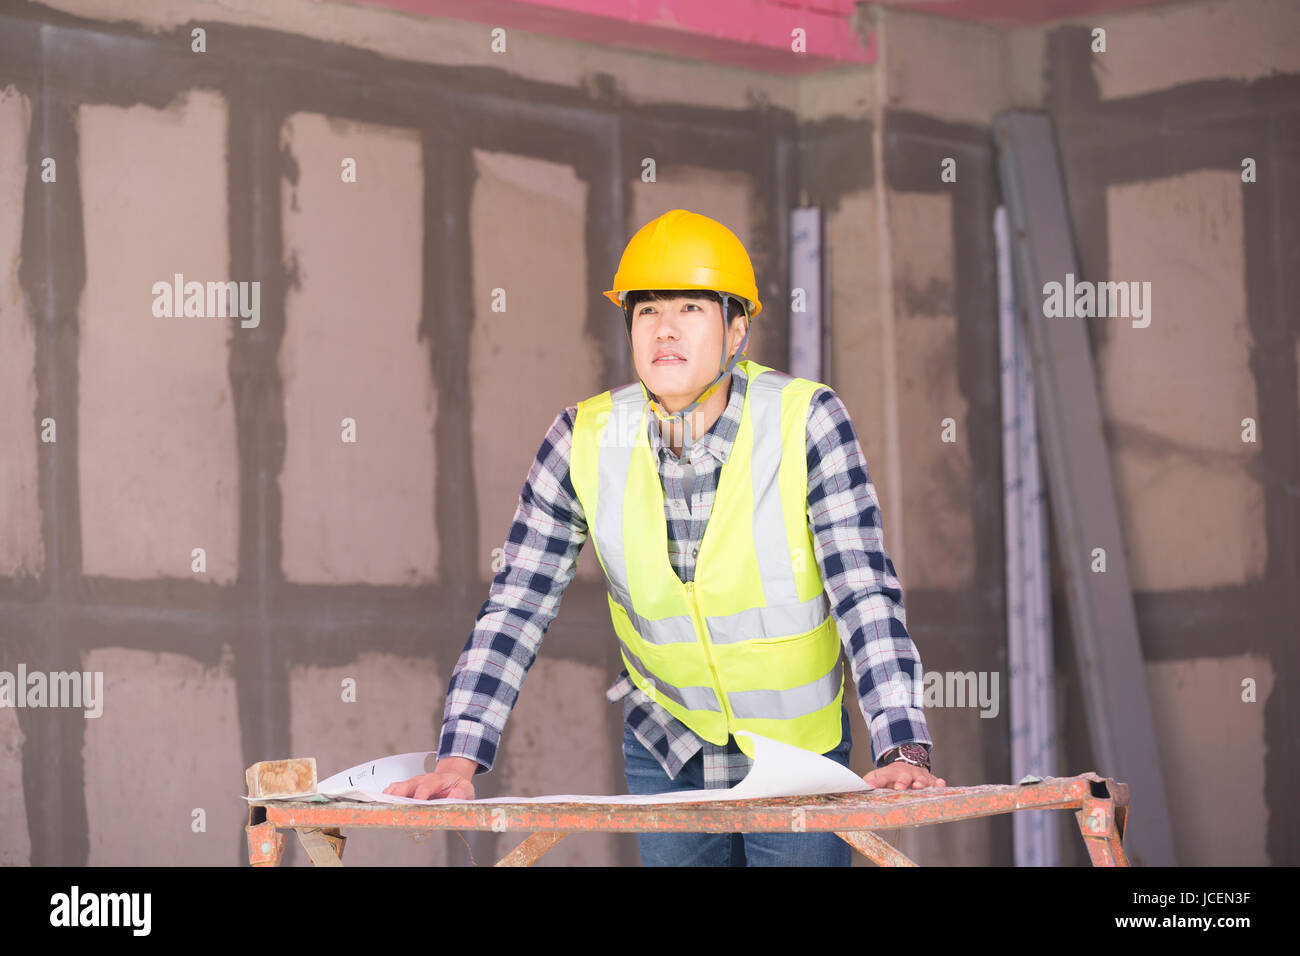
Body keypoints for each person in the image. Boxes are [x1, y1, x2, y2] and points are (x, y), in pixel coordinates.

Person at [385, 209, 944, 866]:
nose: (665, 328)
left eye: (690, 308)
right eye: (646, 310)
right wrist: (460, 755)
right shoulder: (583, 440)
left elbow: (864, 591)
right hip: (666, 748)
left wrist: (902, 745)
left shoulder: (805, 421)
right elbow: (518, 604)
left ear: (737, 330)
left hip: (800, 755)